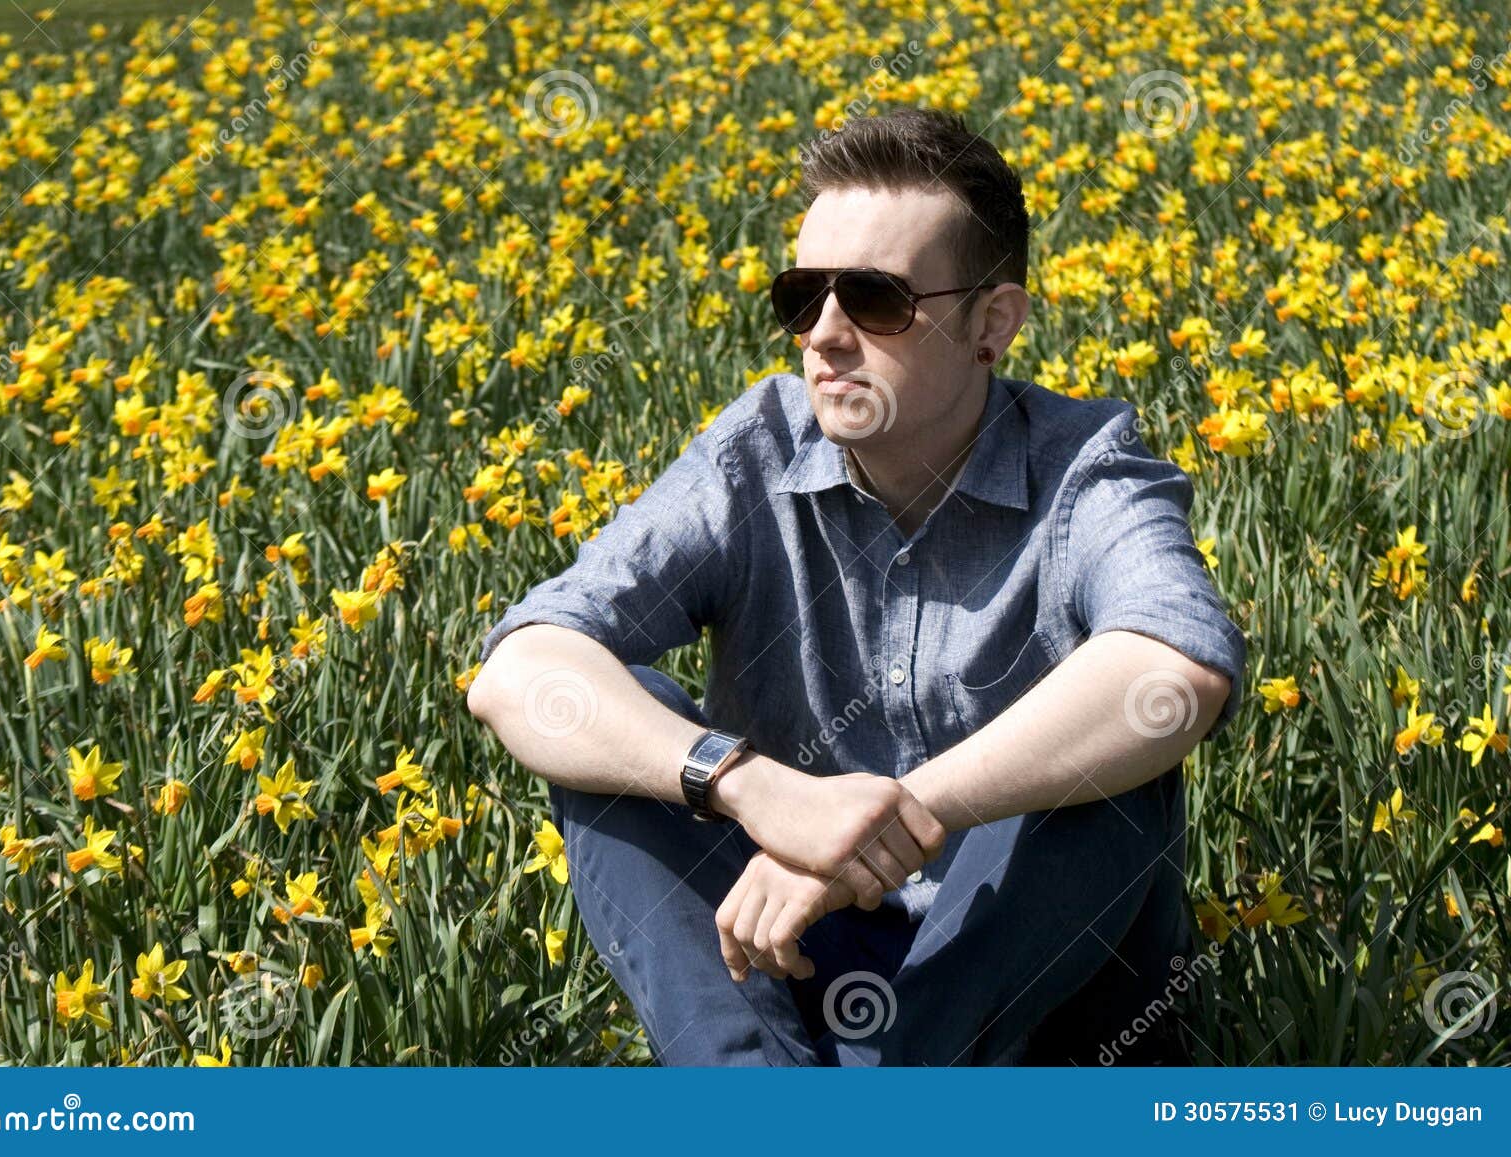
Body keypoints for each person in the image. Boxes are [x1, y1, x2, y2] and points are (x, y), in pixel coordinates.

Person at [467, 106, 1246, 1066]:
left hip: (1032, 989)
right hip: (791, 959)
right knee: (630, 730)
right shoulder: (754, 453)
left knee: (1100, 761)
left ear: (991, 323)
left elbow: (1178, 672)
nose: (826, 335)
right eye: (804, 296)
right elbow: (519, 668)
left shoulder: (1087, 465)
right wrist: (752, 789)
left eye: (875, 300)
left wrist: (896, 817)